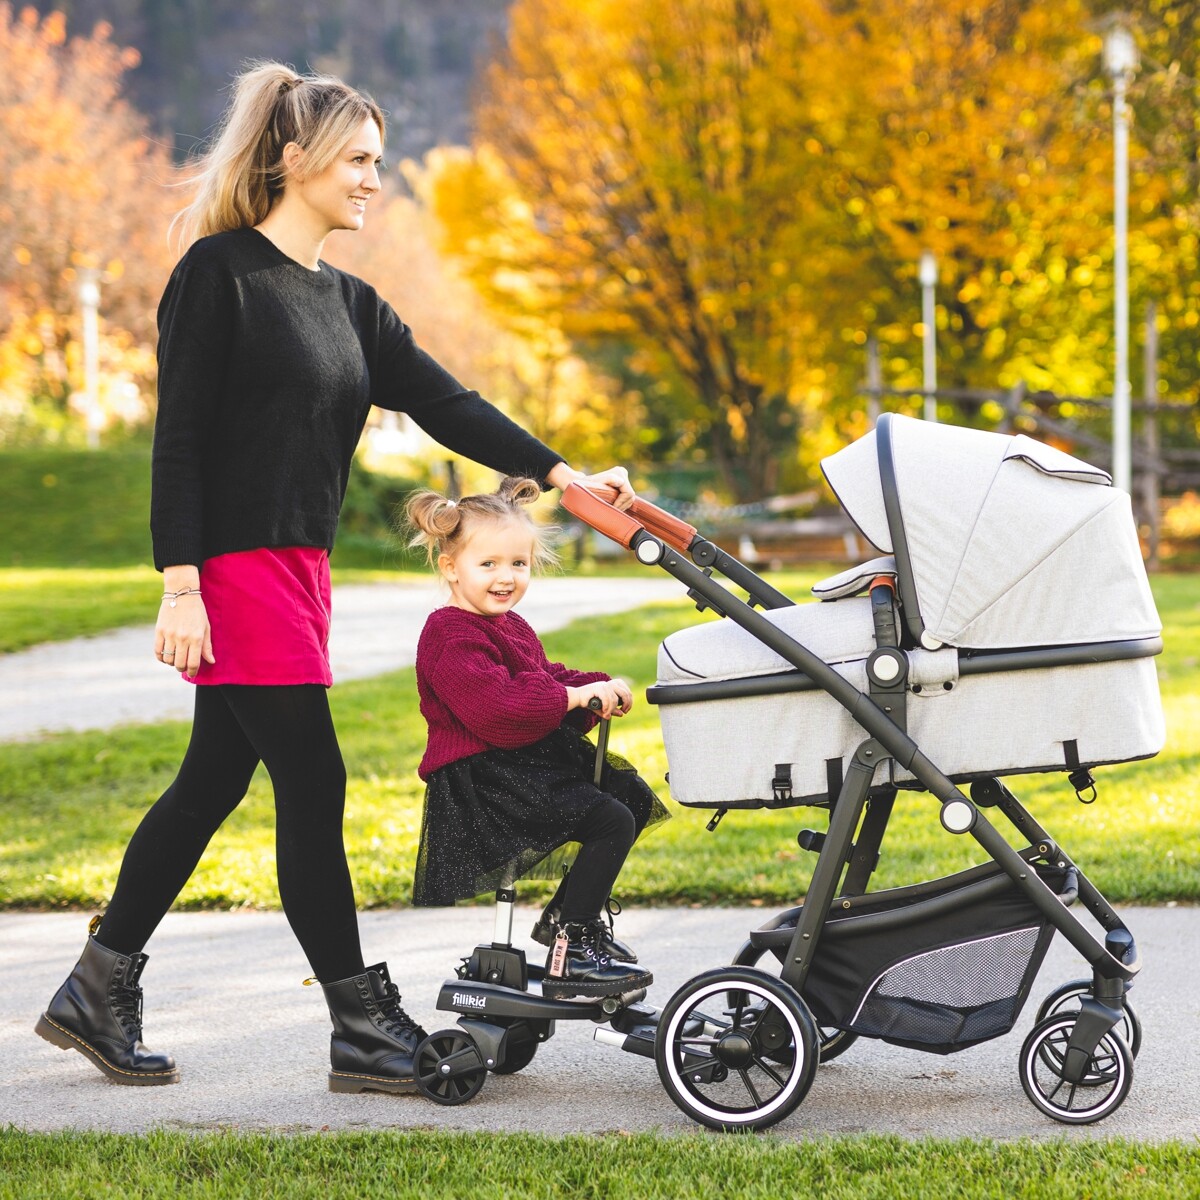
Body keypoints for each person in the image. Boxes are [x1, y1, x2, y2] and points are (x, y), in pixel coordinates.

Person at [34, 62, 636, 1095]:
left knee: (210, 783)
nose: (371, 179)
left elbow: (451, 402)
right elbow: (176, 444)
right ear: (296, 158)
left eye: (377, 163)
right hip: (233, 568)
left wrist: (560, 472)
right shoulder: (216, 274)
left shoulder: (349, 303)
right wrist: (180, 583)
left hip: (299, 570)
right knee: (313, 783)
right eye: (357, 160)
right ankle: (360, 1025)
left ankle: (97, 986)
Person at [405, 478, 667, 998]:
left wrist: (590, 687)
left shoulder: (512, 625)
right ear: (450, 567)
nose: (506, 578)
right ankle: (574, 947)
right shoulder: (449, 635)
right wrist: (569, 698)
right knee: (608, 818)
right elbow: (498, 710)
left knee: (630, 798)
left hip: (523, 764)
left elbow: (545, 677)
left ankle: (569, 925)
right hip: (487, 778)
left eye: (518, 564)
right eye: (489, 564)